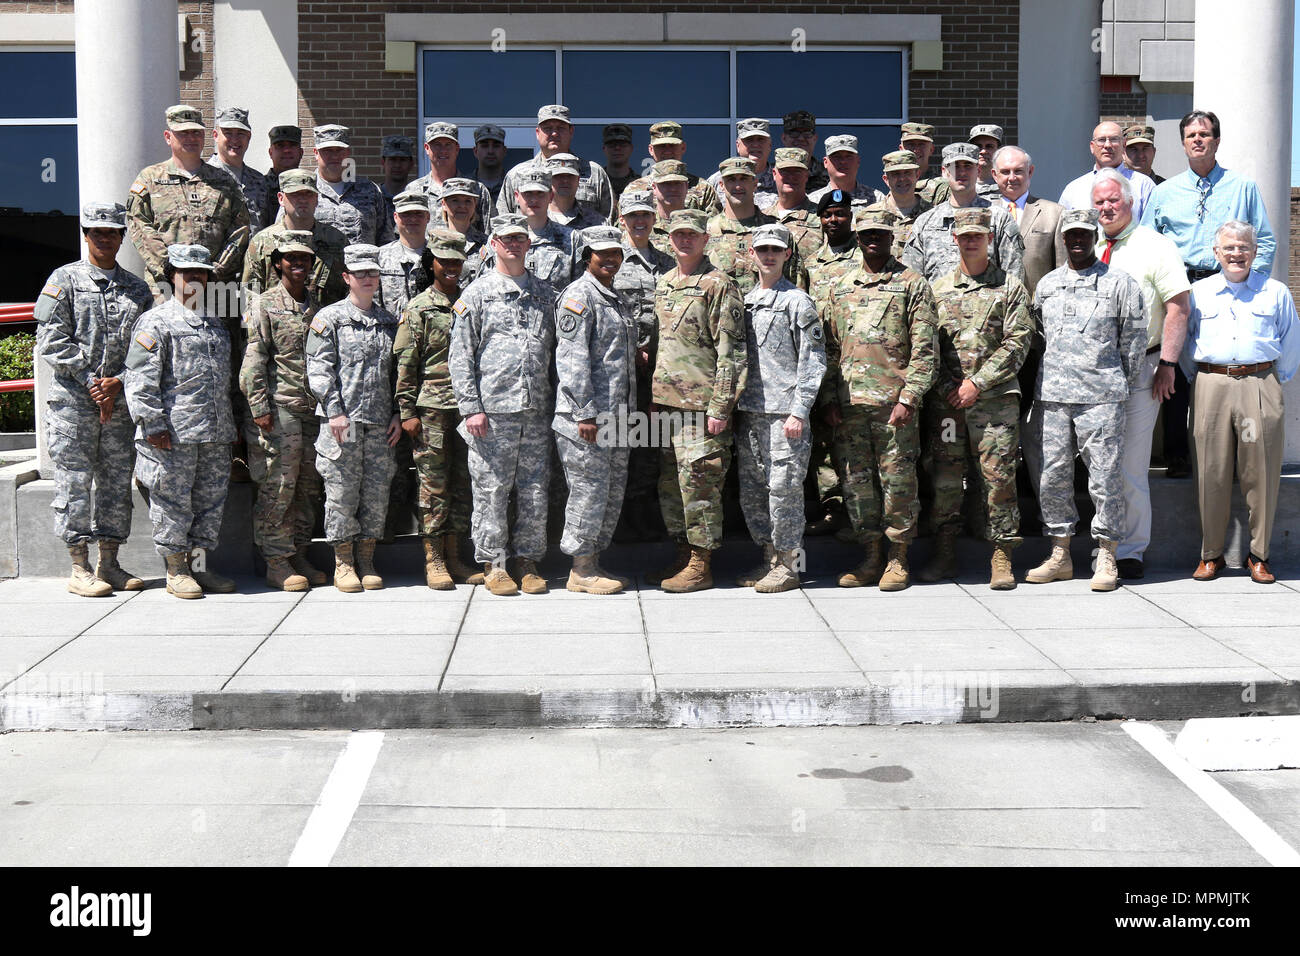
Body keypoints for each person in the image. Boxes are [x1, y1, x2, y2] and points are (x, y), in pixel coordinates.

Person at [1141, 109, 1278, 480]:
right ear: (1183, 143)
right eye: (1191, 135)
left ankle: (1230, 455)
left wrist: (1249, 283)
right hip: (1178, 288)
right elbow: (1148, 241)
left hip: (1227, 287)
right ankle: (1177, 454)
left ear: (1216, 140)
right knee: (1173, 367)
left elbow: (1264, 240)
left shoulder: (1243, 188)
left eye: (1204, 134)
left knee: (1223, 367)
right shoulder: (1164, 193)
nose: (1198, 140)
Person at [36, 201, 153, 597]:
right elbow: (51, 340)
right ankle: (79, 566)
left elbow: (145, 348)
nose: (105, 238)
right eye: (97, 232)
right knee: (74, 483)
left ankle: (110, 562)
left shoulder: (137, 289)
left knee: (116, 485)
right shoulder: (64, 279)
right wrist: (91, 382)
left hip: (118, 407)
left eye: (112, 232)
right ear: (86, 235)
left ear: (121, 238)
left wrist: (118, 382)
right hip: (74, 405)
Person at [1026, 208, 1145, 592]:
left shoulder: (1120, 284)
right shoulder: (1047, 285)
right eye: (1071, 235)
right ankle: (1059, 554)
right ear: (1063, 239)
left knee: (1105, 478)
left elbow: (1134, 343)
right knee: (1053, 476)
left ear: (1095, 237)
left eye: (1084, 234)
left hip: (1101, 398)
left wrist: (1115, 382)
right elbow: (1039, 338)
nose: (1077, 240)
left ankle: (1107, 554)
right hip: (1054, 397)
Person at [821, 207, 937, 592]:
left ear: (892, 238)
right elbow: (830, 348)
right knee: (857, 485)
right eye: (867, 233)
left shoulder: (912, 284)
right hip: (849, 406)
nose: (873, 239)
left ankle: (898, 557)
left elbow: (925, 350)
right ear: (857, 237)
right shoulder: (841, 285)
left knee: (898, 483)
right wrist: (829, 398)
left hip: (893, 406)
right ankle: (871, 555)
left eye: (880, 233)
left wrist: (910, 397)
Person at [918, 208, 1032, 589]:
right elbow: (926, 346)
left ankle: (1002, 555)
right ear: (954, 239)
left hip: (995, 403)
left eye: (977, 236)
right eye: (964, 236)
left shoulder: (1010, 288)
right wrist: (948, 387)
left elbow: (1018, 343)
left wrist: (977, 384)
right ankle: (945, 552)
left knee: (999, 478)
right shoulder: (937, 289)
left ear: (990, 239)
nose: (970, 241)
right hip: (948, 406)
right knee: (946, 478)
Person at [1182, 221, 1300, 584]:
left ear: (1255, 251)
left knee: (1260, 471)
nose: (1237, 254)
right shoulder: (1198, 292)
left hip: (1258, 385)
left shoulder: (1275, 292)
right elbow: (1185, 341)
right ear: (1216, 253)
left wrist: (1270, 383)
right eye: (1229, 247)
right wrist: (1203, 379)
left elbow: (1291, 341)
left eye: (1244, 247)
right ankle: (1211, 555)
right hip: (1212, 385)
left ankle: (1259, 555)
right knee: (1210, 470)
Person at [450, 213, 559, 596]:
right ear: (493, 244)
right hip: (492, 412)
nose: (513, 244)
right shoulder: (477, 294)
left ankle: (527, 562)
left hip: (537, 410)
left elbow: (559, 355)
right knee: (491, 490)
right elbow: (460, 355)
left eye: (519, 238)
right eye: (506, 239)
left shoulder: (546, 294)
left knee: (534, 490)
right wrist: (471, 407)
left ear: (528, 244)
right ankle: (494, 564)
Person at [1092, 169, 1191, 580]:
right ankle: (1102, 545)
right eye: (1099, 201)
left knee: (1130, 466)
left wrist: (1167, 363)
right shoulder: (1086, 244)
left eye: (1113, 200)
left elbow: (1178, 307)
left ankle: (1130, 550)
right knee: (1098, 465)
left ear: (1131, 202)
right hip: (1091, 373)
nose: (1106, 207)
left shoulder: (1155, 245)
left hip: (1141, 369)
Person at [123, 244, 237, 599]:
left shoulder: (215, 323)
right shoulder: (155, 322)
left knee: (208, 506)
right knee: (172, 505)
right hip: (172, 435)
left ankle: (199, 568)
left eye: (200, 273)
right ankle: (177, 570)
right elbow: (139, 379)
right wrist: (152, 425)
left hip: (214, 433)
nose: (194, 279)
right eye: (187, 273)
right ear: (172, 276)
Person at [650, 209, 747, 593]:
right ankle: (682, 551)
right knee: (672, 486)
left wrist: (722, 405)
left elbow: (732, 351)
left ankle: (701, 563)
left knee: (700, 485)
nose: (685, 240)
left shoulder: (718, 284)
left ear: (705, 239)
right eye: (678, 234)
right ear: (669, 239)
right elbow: (663, 345)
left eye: (692, 234)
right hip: (668, 407)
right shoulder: (665, 283)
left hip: (701, 408)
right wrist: (656, 396)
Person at [305, 244, 402, 592]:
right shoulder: (329, 319)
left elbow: (398, 373)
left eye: (373, 272)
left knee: (376, 493)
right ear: (346, 277)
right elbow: (318, 369)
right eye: (360, 273)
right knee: (342, 493)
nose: (367, 278)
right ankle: (343, 562)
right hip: (342, 424)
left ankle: (367, 559)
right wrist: (334, 411)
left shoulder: (389, 321)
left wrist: (397, 413)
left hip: (379, 424)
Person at [734, 224, 826, 592]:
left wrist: (800, 410)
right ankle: (770, 559)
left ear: (787, 254)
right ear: (752, 254)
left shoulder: (797, 301)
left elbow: (813, 359)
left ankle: (790, 565)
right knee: (755, 492)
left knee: (785, 491)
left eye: (776, 250)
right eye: (762, 250)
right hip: (751, 412)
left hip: (784, 414)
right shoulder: (745, 301)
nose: (769, 256)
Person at [239, 231, 330, 591]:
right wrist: (259, 407)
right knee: (278, 486)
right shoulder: (264, 304)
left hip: (312, 410)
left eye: (304, 258)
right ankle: (276, 561)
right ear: (278, 264)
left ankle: (299, 553)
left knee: (307, 486)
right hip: (279, 410)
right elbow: (254, 359)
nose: (298, 264)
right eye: (291, 258)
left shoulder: (317, 306)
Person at [552, 225, 637, 594]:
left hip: (617, 418)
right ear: (587, 257)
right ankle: (580, 569)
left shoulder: (613, 297)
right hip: (588, 419)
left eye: (616, 253)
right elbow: (571, 359)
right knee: (588, 491)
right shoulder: (579, 296)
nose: (610, 259)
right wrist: (584, 413)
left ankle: (593, 561)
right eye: (602, 254)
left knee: (609, 492)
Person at [394, 230, 480, 589]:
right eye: (444, 261)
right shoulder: (419, 307)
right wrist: (407, 412)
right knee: (433, 485)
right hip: (431, 408)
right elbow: (406, 362)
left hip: (468, 407)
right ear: (432, 264)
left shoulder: (471, 300)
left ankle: (455, 557)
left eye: (457, 261)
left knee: (462, 483)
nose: (451, 267)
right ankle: (435, 559)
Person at [126, 105, 250, 293]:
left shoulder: (225, 182)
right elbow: (139, 224)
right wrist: (171, 270)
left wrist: (215, 271)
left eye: (196, 132)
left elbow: (240, 231)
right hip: (165, 287)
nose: (191, 138)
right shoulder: (149, 179)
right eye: (183, 133)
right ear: (168, 137)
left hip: (216, 288)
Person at [612, 190, 675, 540]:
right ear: (622, 219)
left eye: (645, 215)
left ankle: (644, 508)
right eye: (633, 215)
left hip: (660, 367)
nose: (639, 221)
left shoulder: (667, 261)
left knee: (653, 439)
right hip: (622, 367)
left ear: (654, 219)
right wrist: (633, 348)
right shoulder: (611, 258)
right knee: (621, 438)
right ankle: (622, 516)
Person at [903, 143, 1024, 284]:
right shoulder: (925, 222)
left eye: (968, 166)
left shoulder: (999, 218)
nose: (961, 172)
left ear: (978, 170)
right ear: (944, 171)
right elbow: (912, 281)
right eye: (955, 167)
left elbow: (1014, 277)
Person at [242, 168, 348, 307]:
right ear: (281, 198)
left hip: (325, 319)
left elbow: (348, 290)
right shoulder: (261, 242)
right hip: (277, 319)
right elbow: (250, 295)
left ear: (316, 199)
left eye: (308, 194)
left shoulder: (336, 240)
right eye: (295, 194)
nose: (303, 199)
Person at [706, 156, 802, 297]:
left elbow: (796, 287)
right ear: (721, 185)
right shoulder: (705, 232)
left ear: (755, 184)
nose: (738, 186)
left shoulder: (777, 231)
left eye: (744, 179)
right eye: (731, 179)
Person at [499, 105, 614, 221]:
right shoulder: (517, 175)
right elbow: (503, 222)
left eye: (561, 128)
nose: (554, 133)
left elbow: (609, 221)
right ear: (537, 132)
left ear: (571, 131)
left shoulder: (593, 172)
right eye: (547, 128)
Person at [478, 167, 577, 301]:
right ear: (517, 196)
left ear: (551, 196)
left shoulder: (570, 238)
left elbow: (578, 290)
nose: (534, 199)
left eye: (540, 193)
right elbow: (482, 286)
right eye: (528, 193)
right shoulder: (497, 239)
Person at [991, 146, 1063, 299]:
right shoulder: (984, 212)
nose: (1012, 178)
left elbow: (1062, 269)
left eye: (1018, 171)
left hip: (1037, 306)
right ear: (995, 175)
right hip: (993, 306)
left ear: (1030, 172)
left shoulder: (1054, 213)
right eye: (1005, 172)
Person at [310, 124, 394, 246]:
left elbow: (386, 240)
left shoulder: (370, 190)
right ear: (316, 153)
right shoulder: (304, 191)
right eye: (327, 150)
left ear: (348, 152)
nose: (334, 156)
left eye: (339, 150)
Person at [1058, 121, 1156, 221]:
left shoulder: (1144, 185)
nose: (1108, 145)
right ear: (1092, 147)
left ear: (1124, 145)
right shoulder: (1073, 190)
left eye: (1114, 139)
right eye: (1101, 140)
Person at [410, 121, 495, 234]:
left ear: (457, 148)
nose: (443, 150)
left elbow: (490, 235)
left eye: (448, 145)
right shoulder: (414, 190)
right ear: (426, 148)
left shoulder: (477, 190)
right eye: (437, 145)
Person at [622, 121, 722, 215]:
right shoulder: (635, 189)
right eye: (661, 146)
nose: (667, 151)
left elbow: (714, 225)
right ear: (651, 149)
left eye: (672, 145)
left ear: (683, 147)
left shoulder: (703, 188)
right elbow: (624, 225)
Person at [208, 106, 271, 233]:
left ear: (249, 137)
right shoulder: (203, 178)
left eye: (241, 134)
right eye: (228, 133)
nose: (235, 140)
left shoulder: (259, 181)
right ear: (216, 135)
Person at [869, 149, 932, 260]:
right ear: (886, 179)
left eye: (907, 172)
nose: (902, 178)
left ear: (917, 175)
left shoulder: (932, 215)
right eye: (895, 174)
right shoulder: (870, 216)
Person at [376, 190, 430, 316]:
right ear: (395, 217)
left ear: (428, 217)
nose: (413, 219)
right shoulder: (380, 258)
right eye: (406, 214)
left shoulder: (440, 257)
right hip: (391, 328)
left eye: (418, 213)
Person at [765, 148, 823, 262]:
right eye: (785, 171)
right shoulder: (761, 218)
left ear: (806, 176)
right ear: (774, 174)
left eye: (797, 172)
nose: (791, 177)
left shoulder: (822, 217)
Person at [708, 117, 777, 209]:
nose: (755, 144)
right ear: (738, 145)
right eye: (749, 140)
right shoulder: (718, 180)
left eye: (761, 139)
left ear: (770, 145)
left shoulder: (782, 179)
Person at [436, 177, 490, 285]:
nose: (462, 206)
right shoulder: (434, 243)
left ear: (475, 204)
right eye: (455, 200)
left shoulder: (487, 244)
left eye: (468, 201)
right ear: (443, 204)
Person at [808, 135, 884, 207]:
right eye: (836, 157)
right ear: (825, 162)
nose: (843, 161)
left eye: (848, 156)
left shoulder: (878, 199)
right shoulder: (812, 201)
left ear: (858, 161)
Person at [548, 153, 608, 230]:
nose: (565, 180)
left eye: (570, 176)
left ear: (578, 180)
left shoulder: (598, 222)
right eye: (559, 176)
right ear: (548, 179)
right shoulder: (536, 218)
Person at [261, 125, 304, 226]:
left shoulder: (311, 188)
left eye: (292, 145)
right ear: (270, 152)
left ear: (301, 152)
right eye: (280, 146)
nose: (286, 150)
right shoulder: (257, 186)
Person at [901, 122, 950, 205]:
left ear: (931, 149)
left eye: (921, 145)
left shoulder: (942, 187)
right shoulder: (893, 181)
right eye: (911, 144)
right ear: (901, 149)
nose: (916, 150)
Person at [782, 110, 828, 194]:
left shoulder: (829, 175)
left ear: (815, 138)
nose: (801, 138)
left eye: (807, 133)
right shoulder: (772, 174)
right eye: (794, 133)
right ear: (784, 138)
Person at [376, 133, 417, 218]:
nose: (397, 165)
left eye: (403, 160)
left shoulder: (417, 197)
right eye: (392, 159)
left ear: (411, 164)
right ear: (383, 162)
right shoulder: (373, 197)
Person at [472, 123, 508, 207]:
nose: (490, 151)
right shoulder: (466, 185)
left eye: (496, 146)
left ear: (504, 151)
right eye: (484, 146)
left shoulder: (513, 185)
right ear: (475, 151)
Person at [601, 123, 638, 203]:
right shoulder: (597, 182)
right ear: (604, 149)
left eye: (623, 144)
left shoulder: (641, 184)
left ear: (631, 148)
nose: (617, 148)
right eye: (612, 145)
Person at [968, 124, 1004, 200]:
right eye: (978, 146)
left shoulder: (1006, 185)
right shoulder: (958, 183)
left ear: (998, 150)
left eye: (989, 146)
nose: (983, 151)